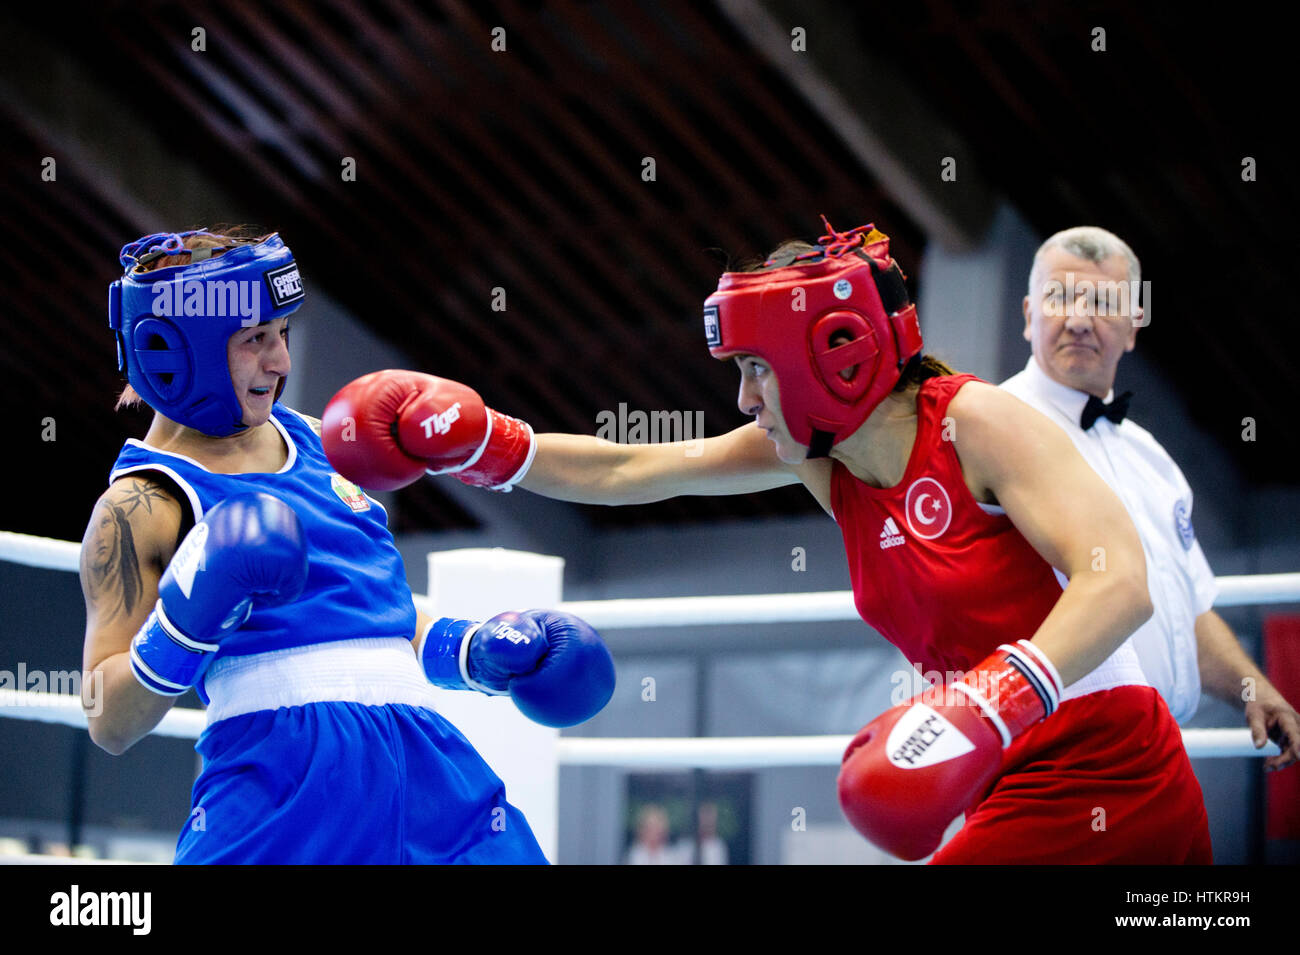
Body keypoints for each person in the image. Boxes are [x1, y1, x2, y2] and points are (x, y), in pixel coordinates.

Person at [323, 217, 1213, 864]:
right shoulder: (822, 460)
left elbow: (1119, 577)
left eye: (755, 368)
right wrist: (486, 446)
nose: (746, 399)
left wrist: (991, 698)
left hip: (1103, 764)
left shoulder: (980, 422)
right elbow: (631, 470)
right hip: (998, 762)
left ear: (833, 352)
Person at [79, 227, 616, 864]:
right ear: (177, 350)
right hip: (280, 779)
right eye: (255, 340)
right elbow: (106, 718)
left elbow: (373, 608)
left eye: (282, 333)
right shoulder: (142, 505)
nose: (280, 361)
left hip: (425, 762)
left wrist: (472, 649)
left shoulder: (320, 441)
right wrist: (187, 617)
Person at [1001, 227, 1299, 771]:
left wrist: (1256, 692)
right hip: (1056, 752)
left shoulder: (1152, 460)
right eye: (1060, 297)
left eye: (1103, 302)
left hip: (1157, 754)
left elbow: (1188, 610)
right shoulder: (992, 428)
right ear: (1027, 314)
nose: (1078, 319)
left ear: (1134, 326)